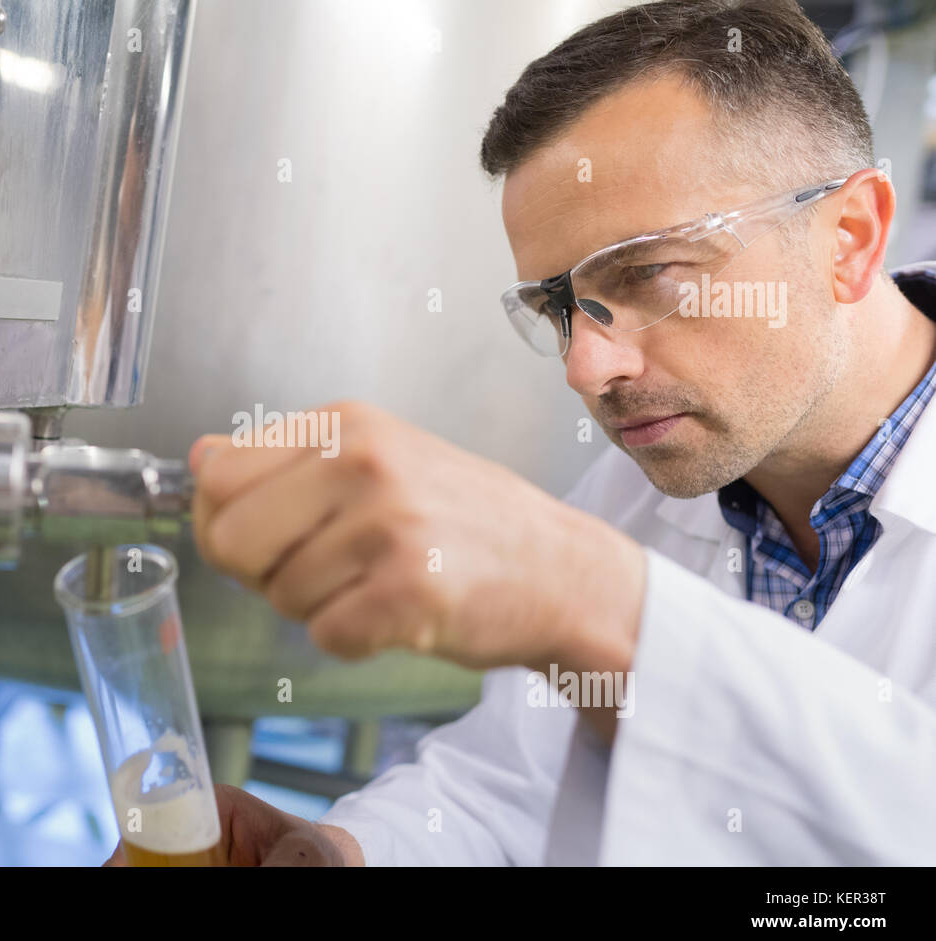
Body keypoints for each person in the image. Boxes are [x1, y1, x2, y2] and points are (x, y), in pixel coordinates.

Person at [108, 0, 936, 865]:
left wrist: (597, 601)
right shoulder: (646, 489)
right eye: (558, 307)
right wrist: (344, 853)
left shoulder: (621, 525)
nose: (586, 369)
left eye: (649, 273)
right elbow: (506, 786)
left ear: (848, 237)